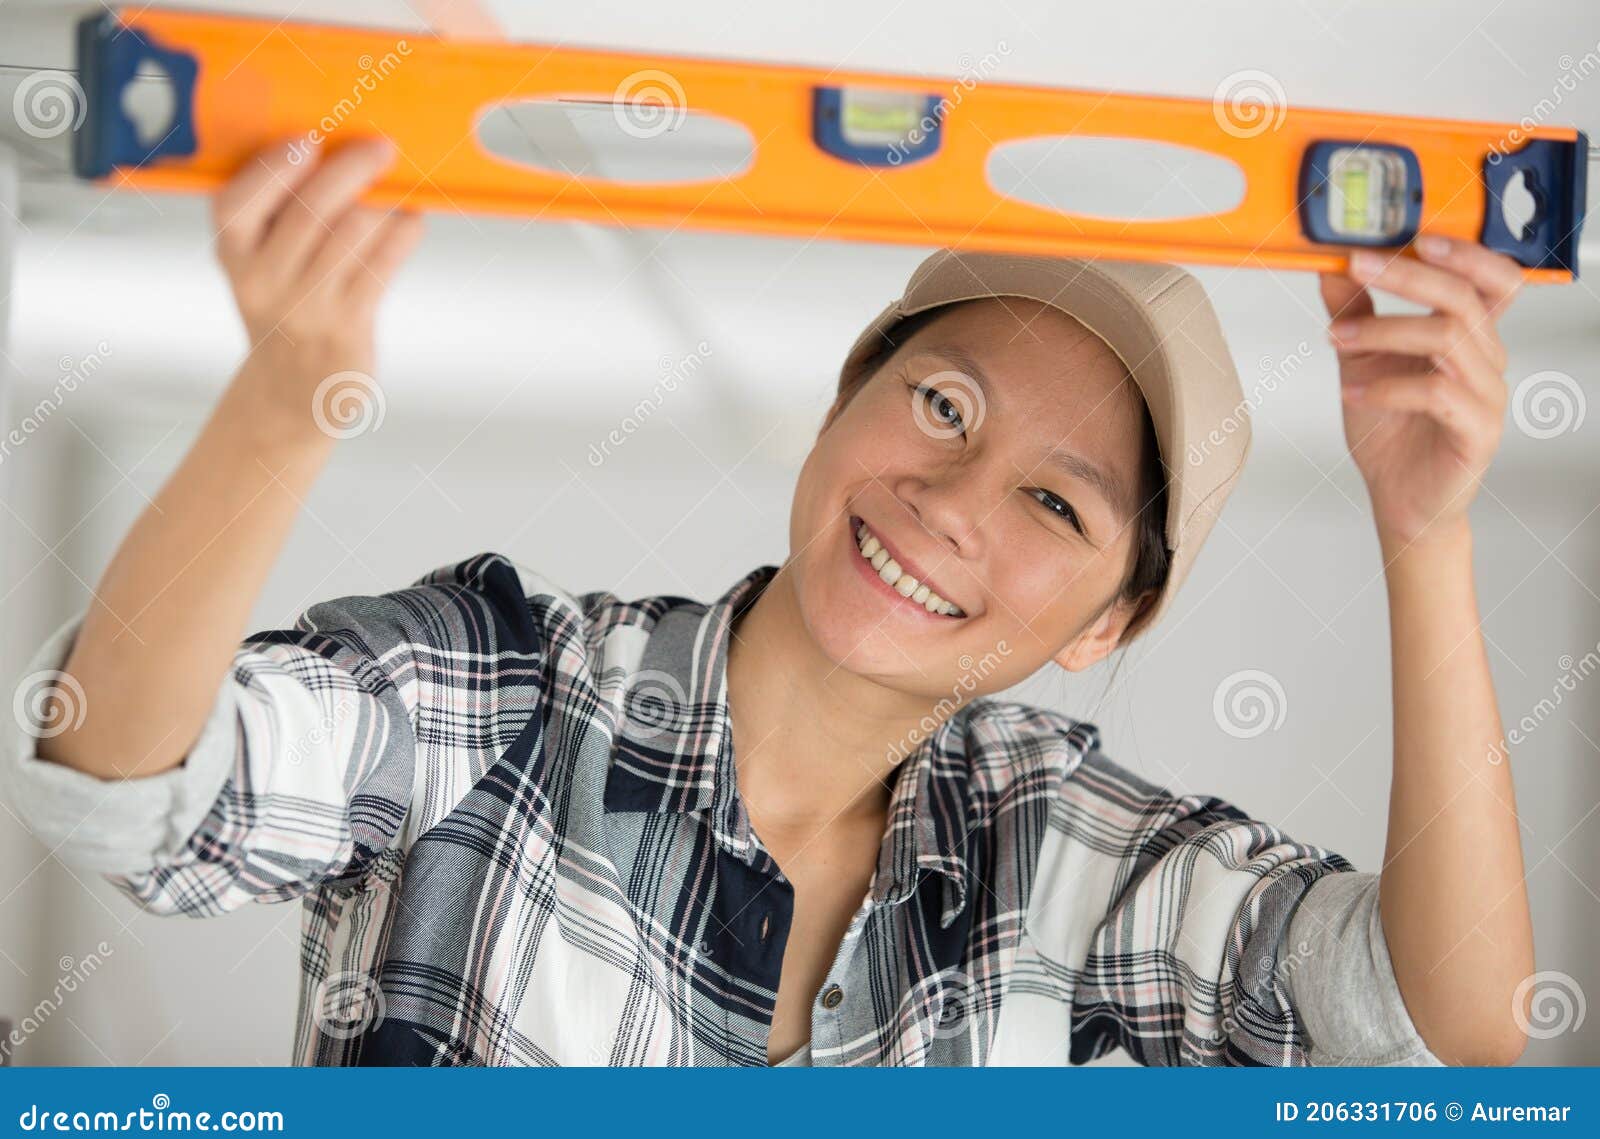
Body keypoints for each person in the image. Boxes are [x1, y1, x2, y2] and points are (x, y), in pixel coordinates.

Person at [4, 136, 1534, 1067]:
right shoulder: (505, 693)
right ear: (840, 405)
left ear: (1103, 626)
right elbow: (125, 780)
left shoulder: (1072, 861)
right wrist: (285, 402)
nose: (950, 500)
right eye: (941, 403)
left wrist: (1425, 533)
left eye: (1054, 501)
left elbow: (1437, 1047)